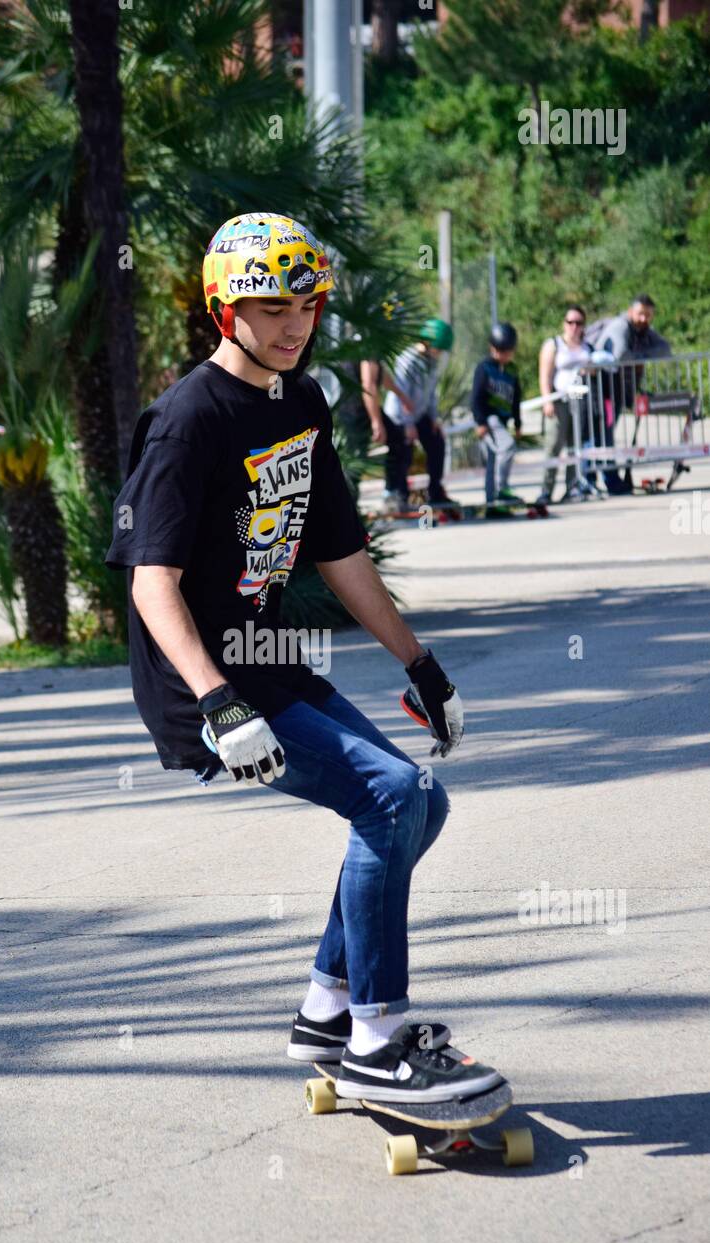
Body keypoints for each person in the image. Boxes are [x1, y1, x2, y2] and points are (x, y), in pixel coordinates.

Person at [105, 211, 499, 1105]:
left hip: (268, 660)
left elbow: (340, 553)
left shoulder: (305, 401)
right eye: (270, 306)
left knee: (419, 806)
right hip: (202, 682)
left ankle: (327, 1008)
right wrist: (216, 702)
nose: (293, 324)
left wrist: (422, 666)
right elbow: (151, 583)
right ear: (224, 309)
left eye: (307, 305)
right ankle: (378, 1035)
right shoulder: (187, 420)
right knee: (389, 796)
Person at [363, 318, 457, 512]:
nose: (439, 354)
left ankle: (436, 491)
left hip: (419, 413)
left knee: (437, 441)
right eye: (438, 349)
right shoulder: (408, 360)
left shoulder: (431, 363)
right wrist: (407, 425)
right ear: (428, 343)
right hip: (400, 415)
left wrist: (434, 418)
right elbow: (401, 393)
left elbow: (431, 393)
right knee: (404, 448)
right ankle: (399, 494)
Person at [590, 294, 672, 495]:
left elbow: (665, 350)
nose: (644, 319)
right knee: (600, 434)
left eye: (648, 315)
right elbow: (621, 355)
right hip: (598, 387)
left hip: (614, 387)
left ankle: (604, 479)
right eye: (640, 314)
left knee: (604, 433)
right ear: (630, 312)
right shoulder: (620, 326)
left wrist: (639, 357)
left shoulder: (643, 331)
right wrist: (642, 357)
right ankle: (605, 480)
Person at [537, 304, 602, 501]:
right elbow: (545, 375)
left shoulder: (587, 347)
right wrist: (547, 400)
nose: (574, 326)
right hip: (559, 400)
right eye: (570, 322)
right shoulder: (554, 344)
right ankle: (546, 490)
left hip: (580, 402)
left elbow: (595, 371)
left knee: (576, 446)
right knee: (554, 445)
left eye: (578, 323)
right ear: (564, 324)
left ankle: (572, 486)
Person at [471, 322, 523, 516]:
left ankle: (494, 505)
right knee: (507, 447)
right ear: (492, 348)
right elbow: (475, 397)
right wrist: (480, 422)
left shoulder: (512, 370)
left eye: (507, 351)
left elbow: (516, 398)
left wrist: (518, 423)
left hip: (503, 420)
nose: (503, 355)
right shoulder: (484, 368)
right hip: (489, 419)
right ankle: (501, 489)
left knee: (494, 460)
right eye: (500, 351)